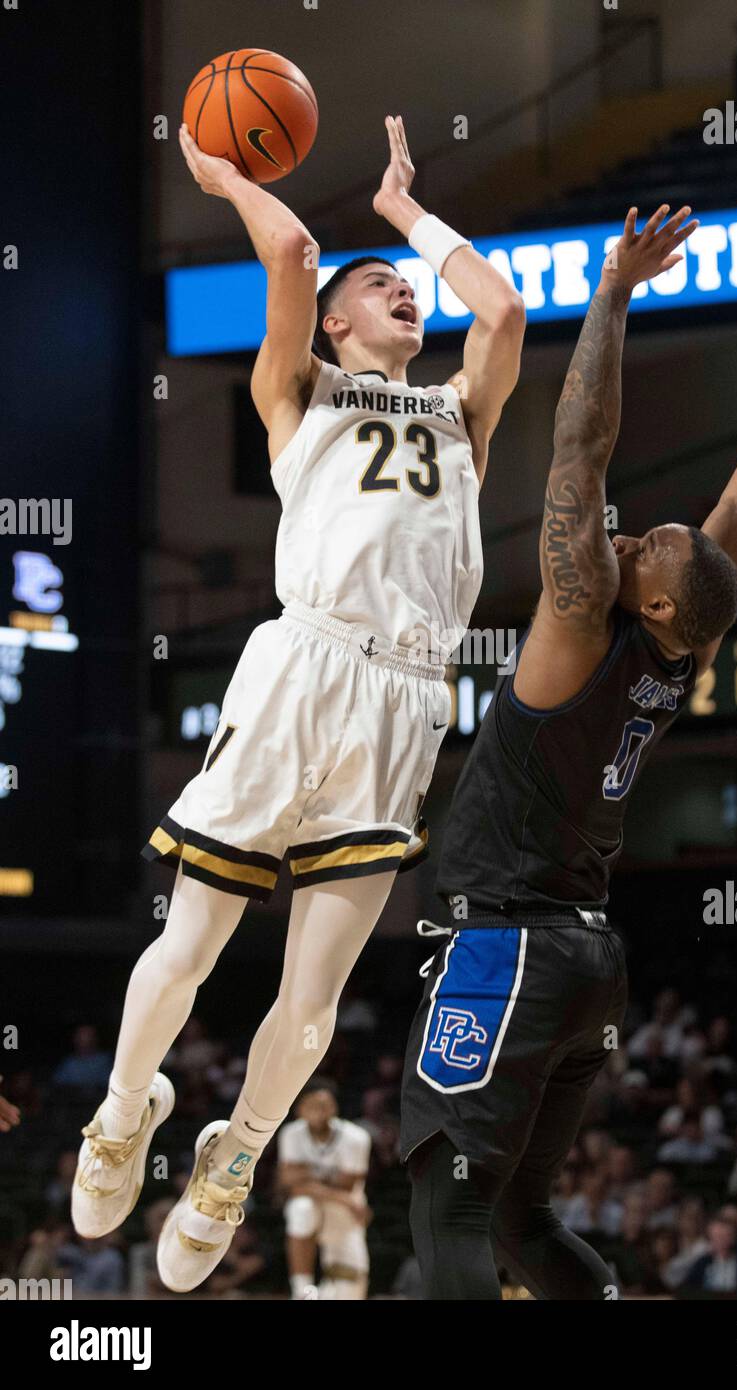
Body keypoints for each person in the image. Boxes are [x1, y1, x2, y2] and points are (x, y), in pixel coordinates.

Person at [70, 113, 525, 1296]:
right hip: (304, 666)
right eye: (378, 287)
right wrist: (222, 176)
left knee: (313, 995)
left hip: (407, 698)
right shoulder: (302, 393)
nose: (402, 294)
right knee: (194, 941)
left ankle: (233, 1159)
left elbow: (508, 310)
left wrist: (404, 217)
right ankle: (125, 1110)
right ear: (335, 321)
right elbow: (283, 259)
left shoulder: (462, 414)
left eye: (404, 287)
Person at [398, 198, 737, 1298]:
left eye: (649, 546)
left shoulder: (579, 629)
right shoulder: (678, 647)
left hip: (508, 949)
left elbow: (581, 447)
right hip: (585, 968)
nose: (633, 531)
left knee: (452, 1210)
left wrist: (613, 291)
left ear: (655, 603)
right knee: (522, 1220)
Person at [277, 1078, 372, 1300]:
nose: (319, 1111)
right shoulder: (290, 1134)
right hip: (343, 1204)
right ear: (300, 1109)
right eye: (312, 1105)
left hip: (344, 1212)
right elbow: (288, 1182)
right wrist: (337, 1190)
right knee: (300, 1209)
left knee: (351, 1292)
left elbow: (347, 1184)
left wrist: (306, 1175)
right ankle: (302, 1291)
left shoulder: (356, 1137)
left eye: (324, 1105)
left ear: (334, 1107)